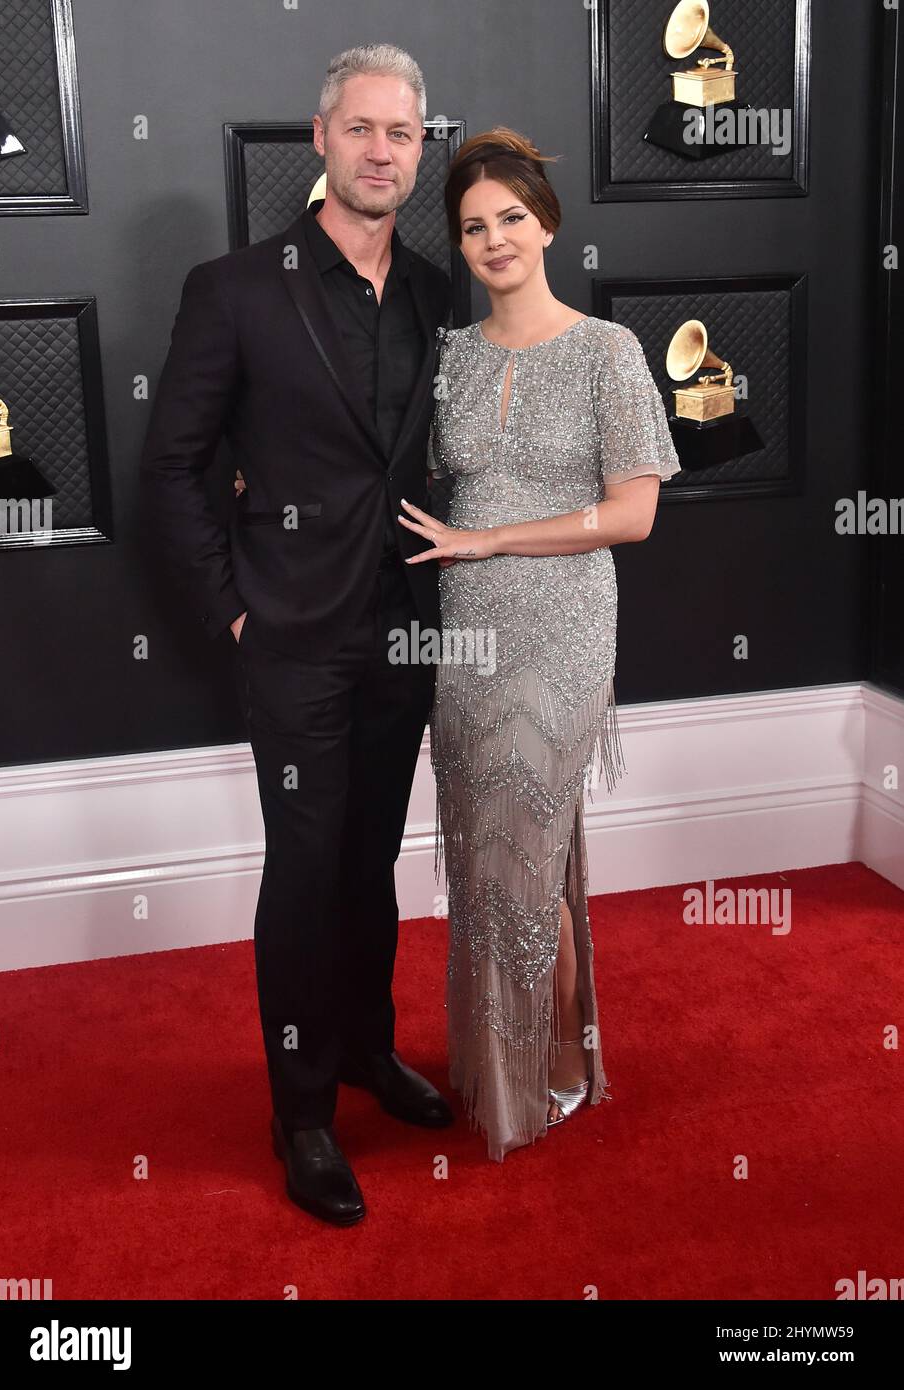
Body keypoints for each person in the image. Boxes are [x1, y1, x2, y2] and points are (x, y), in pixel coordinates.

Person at [141, 44, 455, 1226]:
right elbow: (172, 465)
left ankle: (369, 1050)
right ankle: (301, 1105)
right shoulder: (233, 289)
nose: (384, 151)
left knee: (372, 857)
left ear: (421, 150)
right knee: (307, 865)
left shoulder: (435, 290)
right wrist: (235, 603)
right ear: (320, 139)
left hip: (407, 633)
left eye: (404, 134)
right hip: (294, 637)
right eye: (363, 129)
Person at [396, 128, 682, 1161]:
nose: (494, 239)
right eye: (473, 227)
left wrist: (491, 538)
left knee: (522, 858)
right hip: (466, 640)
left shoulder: (609, 353)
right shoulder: (449, 359)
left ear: (547, 222)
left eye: (510, 217)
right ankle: (508, 1052)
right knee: (491, 860)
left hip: (564, 628)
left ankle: (552, 1058)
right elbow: (399, 480)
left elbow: (633, 513)